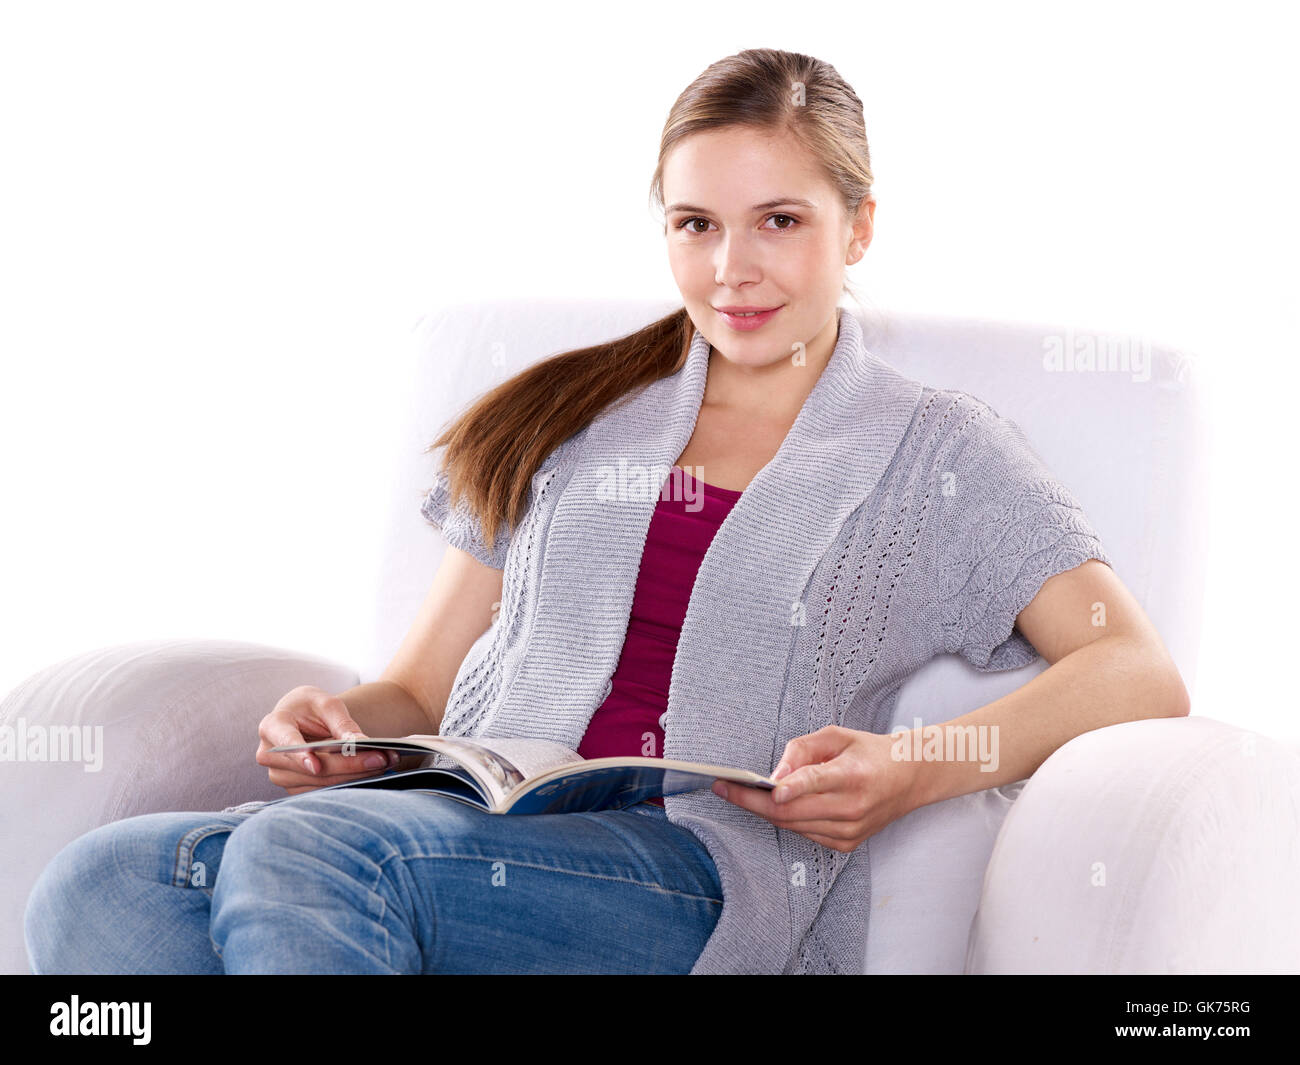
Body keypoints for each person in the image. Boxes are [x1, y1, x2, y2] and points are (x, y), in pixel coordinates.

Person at [23, 47, 1189, 976]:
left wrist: (914, 765)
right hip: (465, 827)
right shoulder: (568, 410)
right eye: (696, 225)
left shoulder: (936, 453)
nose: (732, 268)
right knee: (108, 878)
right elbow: (417, 691)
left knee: (307, 858)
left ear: (859, 228)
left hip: (698, 871)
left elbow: (1135, 671)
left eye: (779, 221)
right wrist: (340, 728)